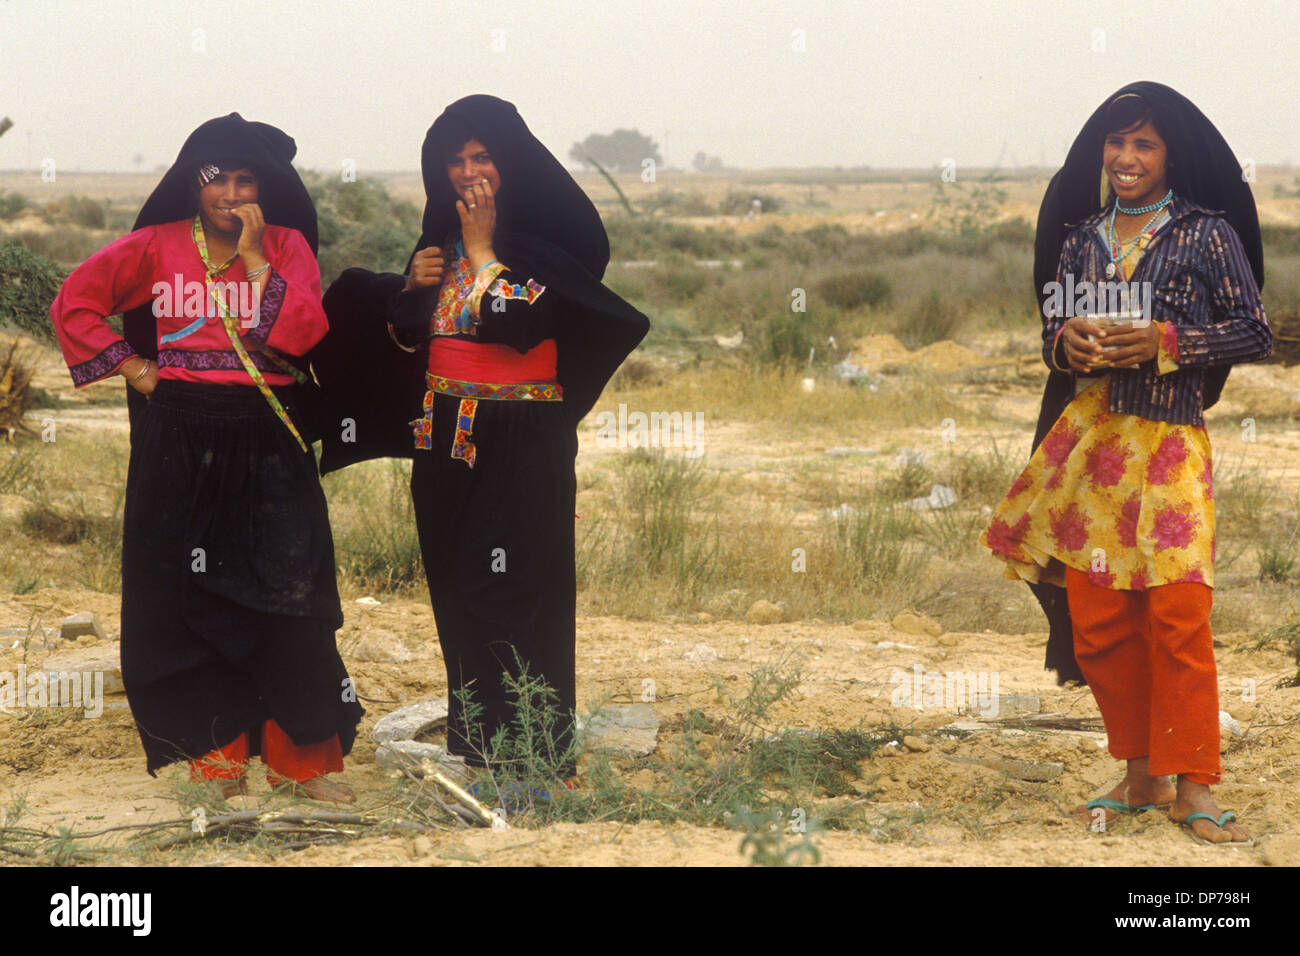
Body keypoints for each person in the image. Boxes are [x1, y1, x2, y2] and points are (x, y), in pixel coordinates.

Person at [315, 95, 649, 777]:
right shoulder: (439, 244)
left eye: (481, 156)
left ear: (509, 160)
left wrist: (483, 252)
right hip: (445, 439)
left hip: (523, 438)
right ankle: (477, 747)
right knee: (460, 589)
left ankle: (538, 757)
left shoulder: (550, 247)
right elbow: (415, 334)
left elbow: (517, 323)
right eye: (455, 161)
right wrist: (409, 288)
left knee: (524, 591)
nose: (469, 173)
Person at [981, 83, 1270, 845]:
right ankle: (1142, 773)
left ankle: (1197, 787)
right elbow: (1052, 325)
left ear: (1169, 155)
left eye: (1144, 145)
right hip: (1093, 450)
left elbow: (1255, 330)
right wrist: (1065, 343)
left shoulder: (1207, 235)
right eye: (1118, 144)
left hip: (1170, 444)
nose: (1127, 159)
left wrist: (1169, 344)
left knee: (1178, 615)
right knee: (1103, 620)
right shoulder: (1081, 238)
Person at [50, 114, 362, 803]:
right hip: (181, 436)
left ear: (262, 189)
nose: (229, 192)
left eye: (244, 179)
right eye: (215, 178)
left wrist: (256, 260)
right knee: (188, 599)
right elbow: (75, 302)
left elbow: (305, 333)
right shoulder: (155, 248)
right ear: (194, 187)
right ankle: (216, 765)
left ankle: (301, 765)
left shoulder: (287, 247)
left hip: (268, 436)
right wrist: (137, 370)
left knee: (292, 598)